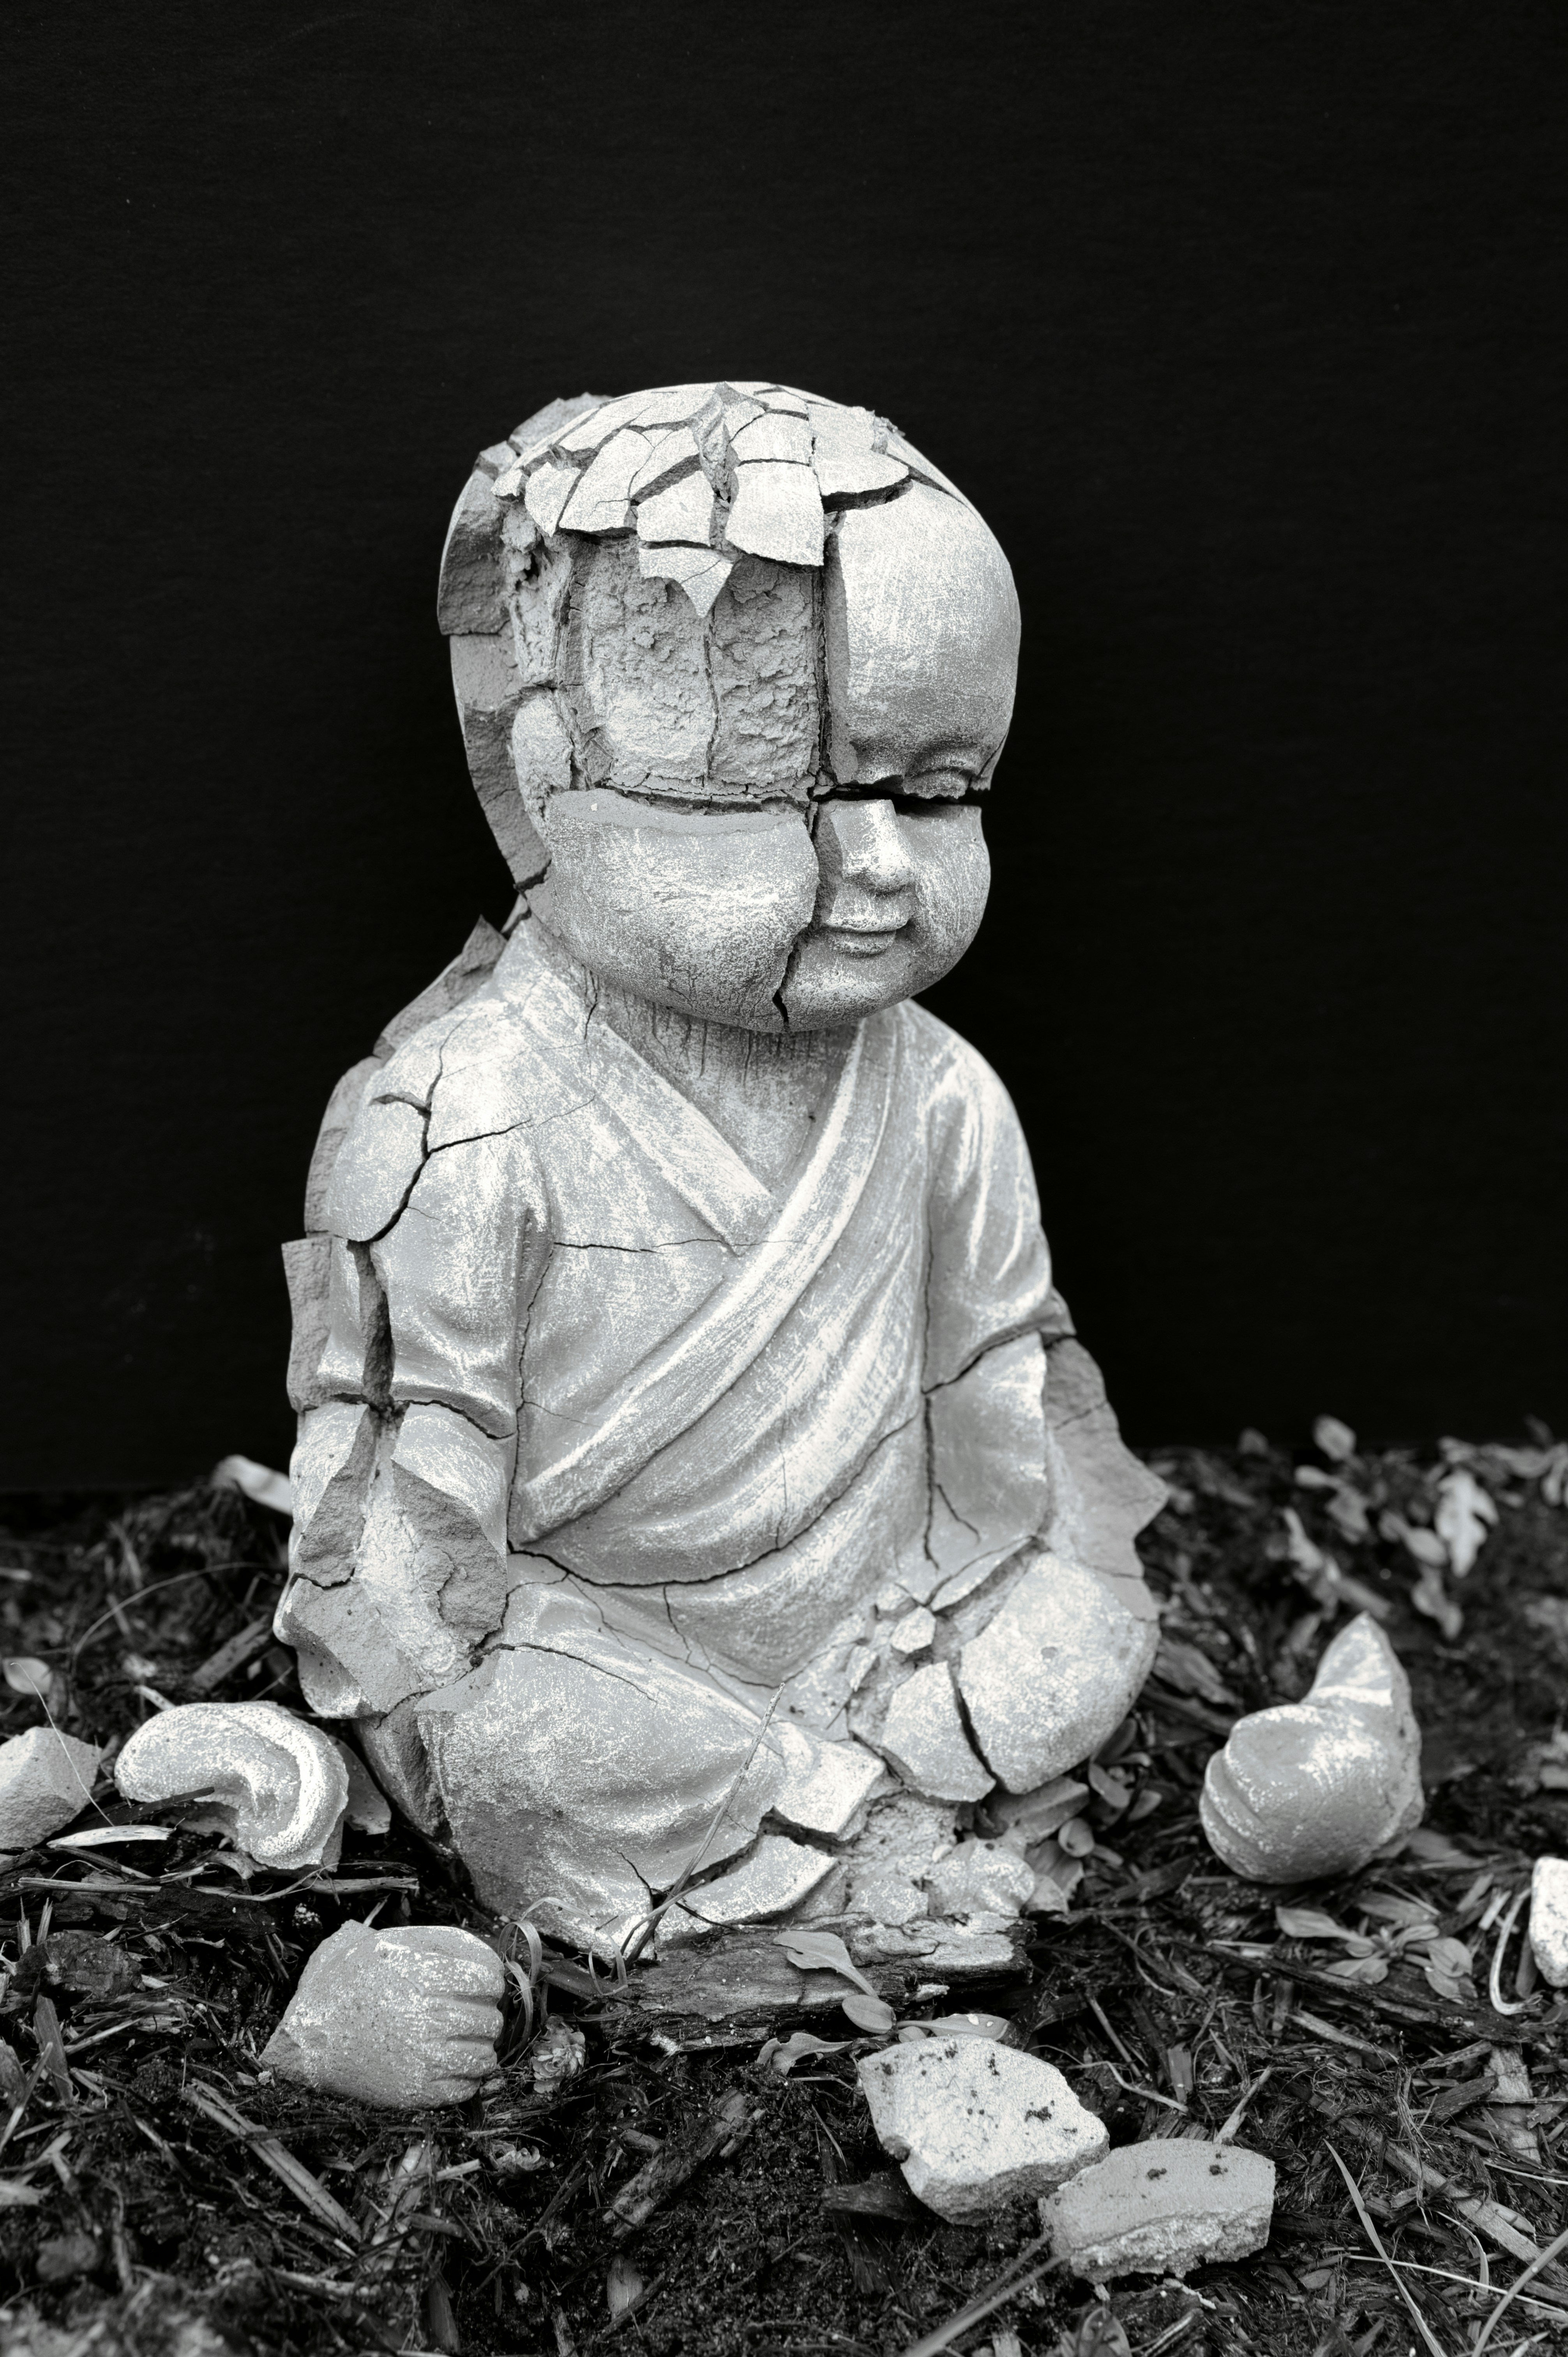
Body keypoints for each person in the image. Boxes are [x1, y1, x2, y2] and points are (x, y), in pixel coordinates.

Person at [276, 382, 1166, 1957]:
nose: (876, 862)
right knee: (519, 1747)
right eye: (777, 799)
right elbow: (397, 1528)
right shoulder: (455, 1120)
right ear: (542, 778)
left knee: (1091, 1626)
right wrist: (439, 1690)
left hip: (898, 1632)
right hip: (616, 1669)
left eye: (939, 795)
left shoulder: (941, 1091)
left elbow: (1014, 1394)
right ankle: (832, 1850)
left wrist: (1048, 1578)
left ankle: (864, 1812)